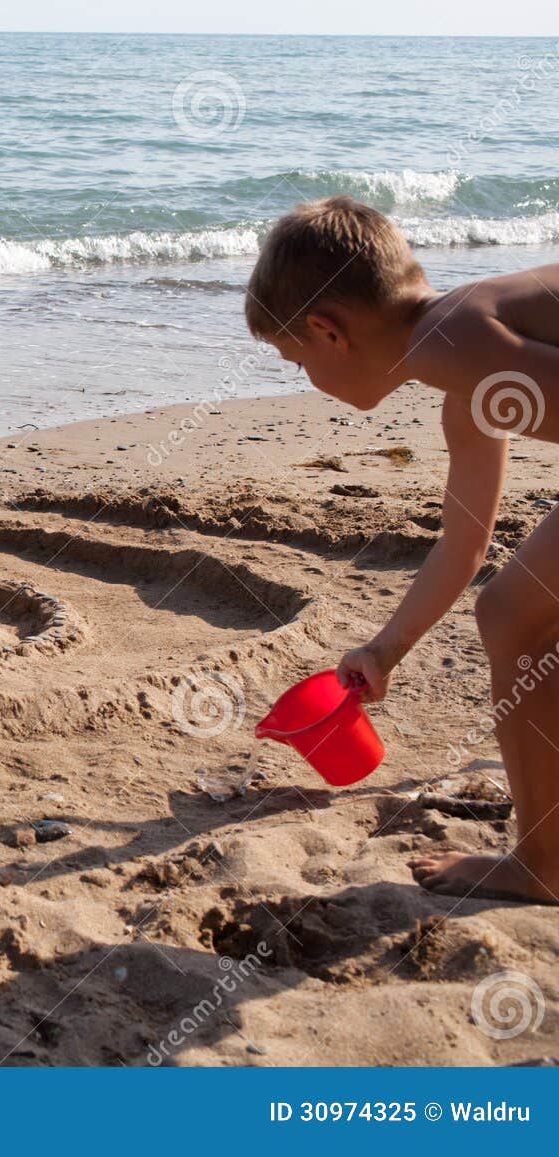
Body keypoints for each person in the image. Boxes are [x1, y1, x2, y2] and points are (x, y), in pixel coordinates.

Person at [245, 195, 559, 903]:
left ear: (328, 331)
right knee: (520, 611)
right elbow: (465, 541)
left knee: (515, 614)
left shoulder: (450, 344)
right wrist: (385, 649)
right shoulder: (461, 354)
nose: (305, 379)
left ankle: (545, 866)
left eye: (296, 361)